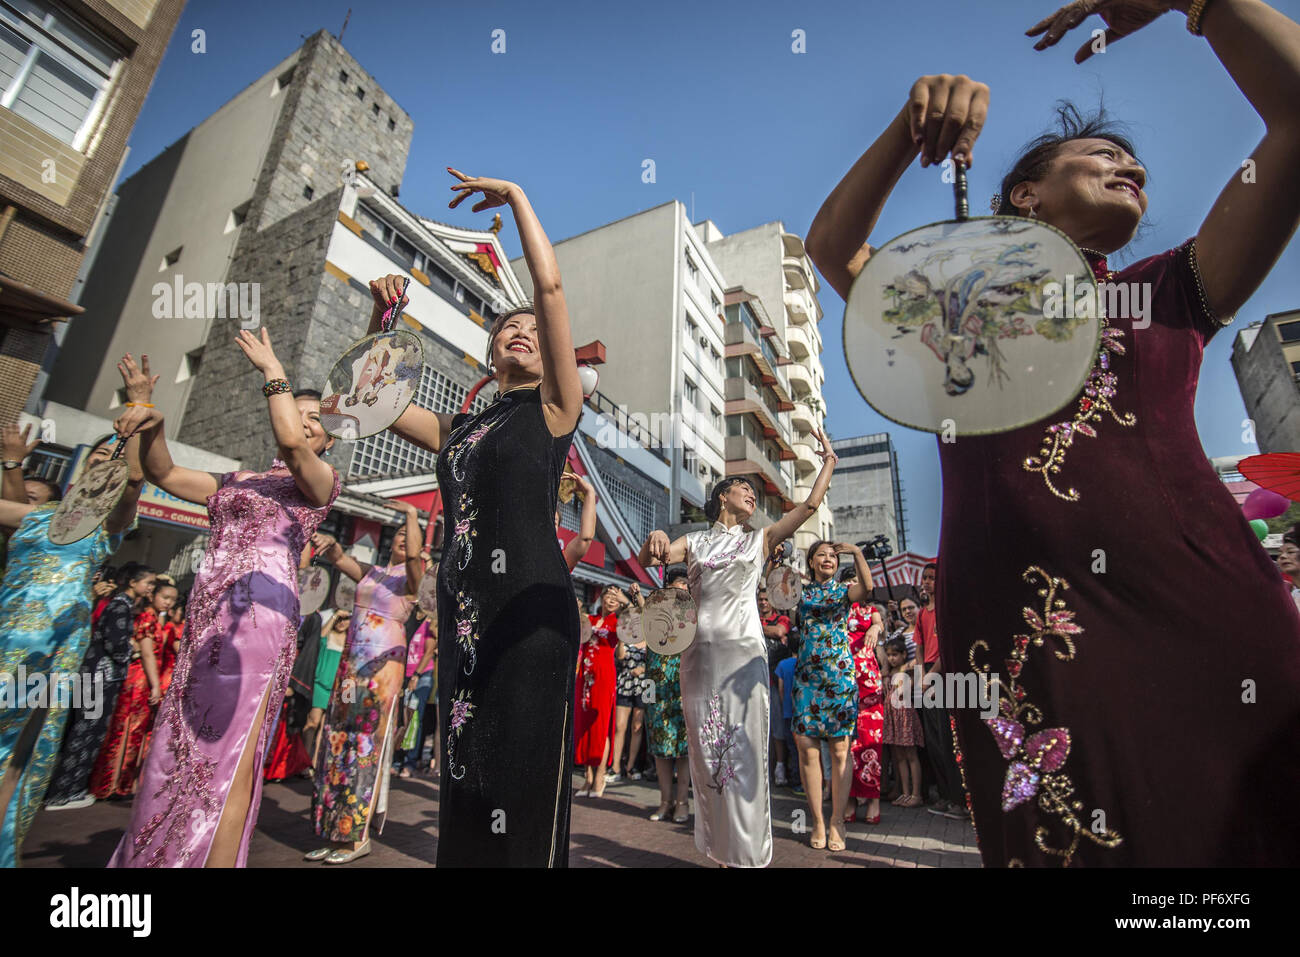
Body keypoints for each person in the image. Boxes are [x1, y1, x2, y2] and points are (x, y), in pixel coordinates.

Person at [805, 0, 1300, 865]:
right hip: (1022, 658)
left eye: (1136, 160)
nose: (1131, 165)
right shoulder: (956, 325)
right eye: (1102, 153)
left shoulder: (1170, 290)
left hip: (1207, 622)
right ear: (1023, 195)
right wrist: (905, 127)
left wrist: (1204, 4)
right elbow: (833, 245)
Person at [368, 168, 584, 866]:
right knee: (464, 773)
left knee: (519, 781)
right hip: (463, 614)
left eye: (531, 330)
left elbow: (548, 292)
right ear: (490, 354)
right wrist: (383, 324)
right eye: (507, 329)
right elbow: (376, 405)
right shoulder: (458, 427)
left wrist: (520, 198)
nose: (520, 331)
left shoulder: (554, 408)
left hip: (530, 611)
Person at [108, 339, 341, 868]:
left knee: (231, 755)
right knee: (179, 748)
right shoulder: (235, 481)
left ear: (327, 441)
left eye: (315, 420)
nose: (305, 424)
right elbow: (164, 474)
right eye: (299, 414)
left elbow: (290, 442)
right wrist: (146, 413)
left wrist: (274, 370)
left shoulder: (319, 484)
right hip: (206, 619)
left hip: (258, 622)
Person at [638, 430, 837, 867]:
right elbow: (653, 557)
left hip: (744, 656)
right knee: (708, 755)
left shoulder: (759, 540)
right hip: (699, 658)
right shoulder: (693, 541)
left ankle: (747, 854)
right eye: (742, 487)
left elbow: (806, 508)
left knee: (744, 755)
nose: (750, 492)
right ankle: (720, 851)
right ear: (723, 497)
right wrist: (654, 534)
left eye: (751, 489)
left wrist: (828, 464)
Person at [0, 432, 143, 866]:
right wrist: (11, 462)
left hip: (56, 641)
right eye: (101, 454)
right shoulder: (37, 514)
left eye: (115, 461)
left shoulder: (107, 522)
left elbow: (133, 484)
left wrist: (137, 424)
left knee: (17, 749)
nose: (108, 462)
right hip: (6, 629)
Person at [306, 504, 423, 864]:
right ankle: (332, 831)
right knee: (337, 746)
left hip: (382, 670)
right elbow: (339, 557)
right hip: (351, 667)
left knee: (364, 750)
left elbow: (416, 554)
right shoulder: (372, 573)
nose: (404, 537)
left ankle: (356, 837)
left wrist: (412, 516)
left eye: (409, 534)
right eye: (400, 532)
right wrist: (328, 541)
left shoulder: (413, 579)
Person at [45, 563, 156, 809]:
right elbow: (117, 645)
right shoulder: (119, 606)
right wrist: (133, 649)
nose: (150, 588)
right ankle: (63, 792)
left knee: (87, 732)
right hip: (98, 678)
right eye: (148, 582)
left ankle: (69, 789)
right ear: (132, 583)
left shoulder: (120, 605)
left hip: (96, 675)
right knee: (86, 732)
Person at [790, 542, 876, 850]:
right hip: (806, 680)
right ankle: (817, 820)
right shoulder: (799, 591)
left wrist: (857, 552)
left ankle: (838, 820)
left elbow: (867, 587)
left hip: (839, 679)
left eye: (833, 556)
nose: (828, 559)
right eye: (822, 555)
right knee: (808, 751)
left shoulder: (843, 591)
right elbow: (775, 595)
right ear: (811, 561)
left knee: (841, 751)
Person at [88, 578, 177, 799]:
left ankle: (123, 782)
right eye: (164, 597)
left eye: (172, 600)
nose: (168, 603)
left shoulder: (156, 620)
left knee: (137, 731)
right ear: (152, 596)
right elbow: (147, 653)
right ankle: (111, 783)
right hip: (139, 679)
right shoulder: (146, 619)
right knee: (126, 728)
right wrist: (155, 685)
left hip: (146, 678)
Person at [911, 563, 965, 819]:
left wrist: (931, 677)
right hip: (929, 675)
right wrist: (922, 675)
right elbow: (920, 648)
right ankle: (944, 795)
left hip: (946, 675)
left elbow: (946, 647)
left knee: (947, 739)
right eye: (925, 578)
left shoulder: (946, 610)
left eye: (932, 578)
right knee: (932, 740)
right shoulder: (922, 614)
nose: (927, 582)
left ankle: (959, 800)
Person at [646, 568, 691, 822]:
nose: (682, 589)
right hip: (656, 685)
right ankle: (665, 801)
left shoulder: (694, 616)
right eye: (677, 584)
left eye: (686, 585)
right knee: (659, 746)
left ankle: (683, 802)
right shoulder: (653, 612)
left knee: (683, 748)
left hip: (683, 684)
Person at [575, 585, 627, 797]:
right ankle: (587, 777)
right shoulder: (590, 619)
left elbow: (622, 655)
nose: (611, 599)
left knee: (601, 725)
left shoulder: (618, 622)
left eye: (616, 597)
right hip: (585, 676)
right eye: (609, 595)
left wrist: (623, 635)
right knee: (584, 725)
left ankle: (600, 775)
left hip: (604, 676)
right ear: (602, 597)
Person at [609, 582, 650, 783]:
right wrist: (621, 640)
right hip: (625, 682)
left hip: (645, 685)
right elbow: (620, 657)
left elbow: (653, 662)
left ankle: (631, 766)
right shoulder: (626, 636)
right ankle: (615, 767)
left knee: (637, 726)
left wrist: (643, 669)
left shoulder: (650, 638)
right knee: (620, 726)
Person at [881, 639, 924, 808]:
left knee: (911, 756)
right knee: (899, 757)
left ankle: (916, 793)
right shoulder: (889, 672)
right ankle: (905, 793)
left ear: (904, 654)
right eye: (889, 655)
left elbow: (916, 671)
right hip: (893, 716)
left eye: (895, 655)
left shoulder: (907, 670)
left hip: (904, 714)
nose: (891, 658)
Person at [306, 610, 350, 767]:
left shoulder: (349, 642)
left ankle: (315, 763)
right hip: (320, 684)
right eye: (340, 619)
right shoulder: (328, 634)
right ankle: (303, 760)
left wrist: (347, 698)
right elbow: (320, 637)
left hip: (337, 690)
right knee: (313, 722)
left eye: (346, 619)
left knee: (327, 728)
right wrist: (335, 615)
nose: (342, 622)